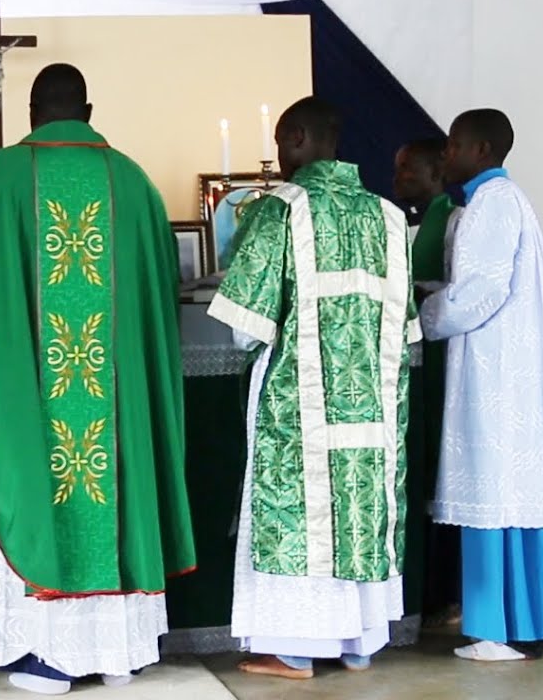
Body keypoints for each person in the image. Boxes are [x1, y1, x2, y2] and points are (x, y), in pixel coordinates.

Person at [0, 63, 197, 695]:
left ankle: (51, 657)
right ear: (88, 110)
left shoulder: (0, 178)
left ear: (32, 111)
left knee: (40, 483)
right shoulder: (132, 181)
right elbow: (160, 296)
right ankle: (118, 653)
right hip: (117, 405)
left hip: (37, 398)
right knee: (116, 489)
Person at [208, 96, 417, 680]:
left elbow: (244, 328)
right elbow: (408, 329)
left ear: (298, 137)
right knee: (359, 510)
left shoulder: (282, 209)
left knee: (300, 512)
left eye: (281, 142)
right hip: (374, 406)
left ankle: (295, 647)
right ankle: (359, 642)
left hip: (300, 407)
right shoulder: (389, 217)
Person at [420, 108, 543, 661]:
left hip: (498, 376)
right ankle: (529, 624)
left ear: (482, 150)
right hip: (512, 367)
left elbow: (478, 294)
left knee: (498, 489)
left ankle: (505, 630)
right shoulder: (503, 200)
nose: (446, 154)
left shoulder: (491, 204)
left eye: (453, 145)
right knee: (518, 489)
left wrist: (419, 316)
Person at [392, 138, 463, 634]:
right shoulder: (413, 224)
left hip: (442, 362)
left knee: (441, 469)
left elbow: (458, 290)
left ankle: (446, 592)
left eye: (408, 170)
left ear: (436, 171)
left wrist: (418, 293)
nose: (399, 180)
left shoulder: (455, 221)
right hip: (419, 363)